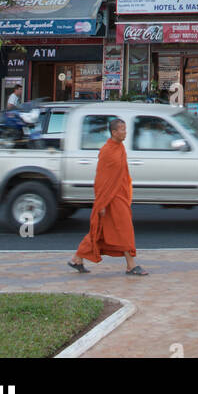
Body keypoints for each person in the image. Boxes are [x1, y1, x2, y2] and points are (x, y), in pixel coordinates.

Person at [68, 118, 147, 276]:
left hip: (119, 195)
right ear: (114, 132)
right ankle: (131, 265)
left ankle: (77, 258)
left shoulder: (120, 147)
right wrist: (102, 203)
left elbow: (122, 174)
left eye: (125, 129)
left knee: (101, 232)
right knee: (124, 229)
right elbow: (101, 179)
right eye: (122, 130)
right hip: (109, 199)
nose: (125, 132)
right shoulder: (107, 151)